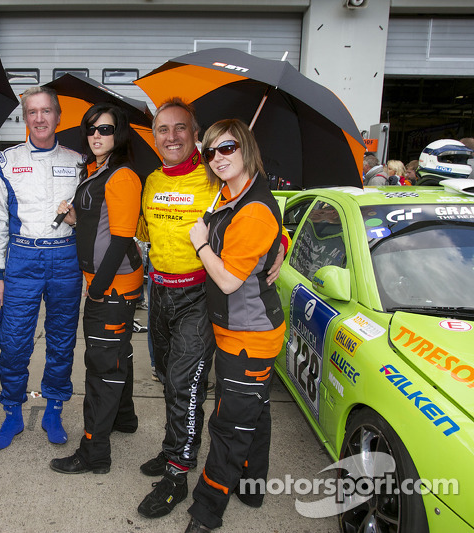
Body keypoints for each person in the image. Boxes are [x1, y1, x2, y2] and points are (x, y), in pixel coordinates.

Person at [135, 99, 285, 520]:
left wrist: (282, 246)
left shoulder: (214, 176)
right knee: (169, 380)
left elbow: (261, 212)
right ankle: (173, 451)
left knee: (185, 386)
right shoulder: (150, 180)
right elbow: (145, 233)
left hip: (200, 299)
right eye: (162, 129)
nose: (171, 137)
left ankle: (177, 475)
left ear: (194, 134)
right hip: (159, 294)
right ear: (154, 136)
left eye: (180, 128)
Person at [184, 119, 285, 533]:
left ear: (245, 145)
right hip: (239, 330)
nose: (218, 158)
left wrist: (201, 243)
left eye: (227, 148)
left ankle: (206, 512)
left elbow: (227, 279)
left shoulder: (254, 206)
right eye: (210, 151)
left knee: (229, 426)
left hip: (250, 337)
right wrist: (283, 244)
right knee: (254, 414)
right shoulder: (233, 194)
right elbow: (271, 237)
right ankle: (252, 486)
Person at [0, 86, 84, 450]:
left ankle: (54, 407)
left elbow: (88, 217)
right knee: (13, 342)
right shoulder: (6, 162)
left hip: (65, 259)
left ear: (58, 117)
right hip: (22, 259)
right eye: (33, 112)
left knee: (61, 339)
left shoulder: (78, 161)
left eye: (47, 111)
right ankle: (12, 410)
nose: (40, 118)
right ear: (24, 117)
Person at [49, 103, 142, 475]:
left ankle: (94, 452)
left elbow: (121, 239)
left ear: (118, 134)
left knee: (101, 365)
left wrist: (98, 290)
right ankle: (124, 417)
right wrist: (74, 218)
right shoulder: (99, 172)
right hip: (107, 281)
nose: (96, 135)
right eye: (91, 129)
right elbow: (98, 225)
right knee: (117, 353)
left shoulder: (121, 176)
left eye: (104, 129)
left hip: (113, 285)